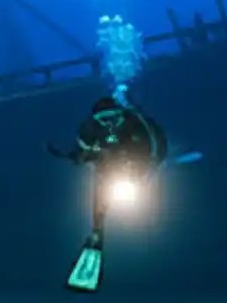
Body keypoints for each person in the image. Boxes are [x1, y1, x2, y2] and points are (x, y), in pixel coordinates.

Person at [47, 95, 168, 293]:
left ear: (121, 115)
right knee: (101, 189)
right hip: (109, 172)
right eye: (103, 120)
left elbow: (156, 152)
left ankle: (110, 232)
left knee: (138, 194)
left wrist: (141, 171)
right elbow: (82, 153)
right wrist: (71, 155)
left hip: (137, 169)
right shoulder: (91, 131)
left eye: (113, 118)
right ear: (96, 120)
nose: (109, 124)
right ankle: (96, 233)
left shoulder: (136, 127)